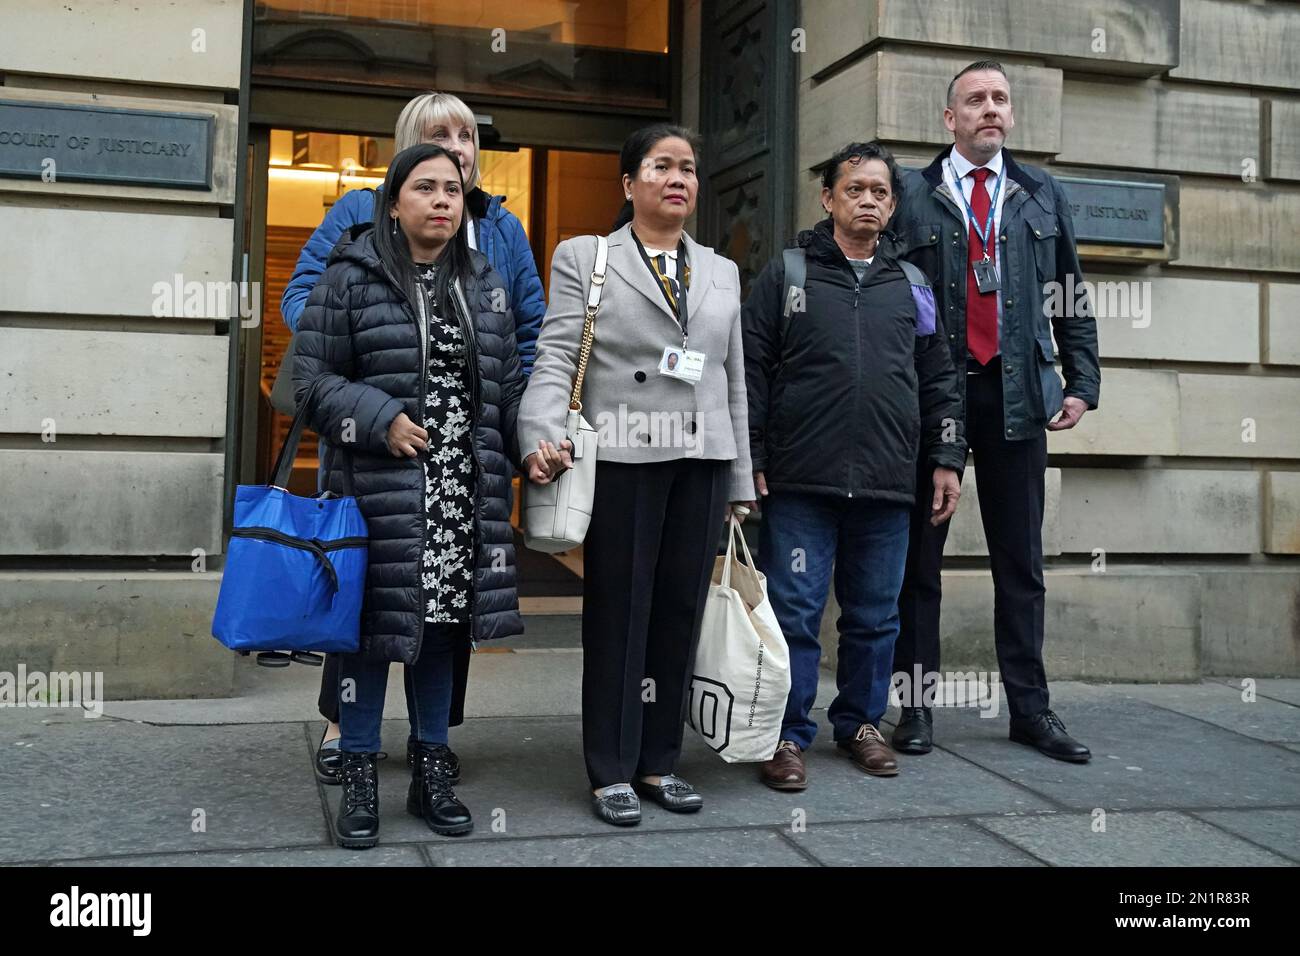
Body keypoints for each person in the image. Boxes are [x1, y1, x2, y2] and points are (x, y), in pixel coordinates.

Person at [278, 91, 546, 785]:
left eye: (466, 136)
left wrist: (530, 435)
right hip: (381, 462)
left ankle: (433, 748)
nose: (457, 145)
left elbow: (524, 337)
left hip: (464, 469)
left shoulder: (500, 234)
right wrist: (379, 329)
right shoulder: (356, 223)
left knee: (445, 614)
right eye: (437, 137)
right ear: (397, 186)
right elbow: (307, 324)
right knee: (368, 609)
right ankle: (351, 739)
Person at [519, 124, 755, 826]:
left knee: (679, 615)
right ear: (629, 184)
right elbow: (558, 354)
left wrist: (741, 478)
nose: (678, 178)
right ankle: (611, 768)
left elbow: (732, 379)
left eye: (687, 167)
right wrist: (540, 433)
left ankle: (659, 761)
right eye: (661, 166)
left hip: (701, 462)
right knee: (620, 615)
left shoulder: (720, 269)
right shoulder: (587, 257)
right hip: (623, 460)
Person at [891, 60, 1101, 762]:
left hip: (1016, 392)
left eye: (1000, 99)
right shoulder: (909, 194)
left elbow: (1070, 286)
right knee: (919, 564)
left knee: (1022, 563)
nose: (990, 108)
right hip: (934, 396)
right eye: (975, 99)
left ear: (1010, 116)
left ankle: (1032, 713)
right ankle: (914, 708)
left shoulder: (1041, 191)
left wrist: (1082, 380)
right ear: (949, 119)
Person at [742, 142, 965, 791]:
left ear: (892, 205)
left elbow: (939, 376)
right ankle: (785, 733)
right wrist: (752, 457)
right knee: (795, 611)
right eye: (856, 189)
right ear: (829, 199)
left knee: (876, 615)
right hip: (801, 482)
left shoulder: (913, 285)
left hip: (888, 481)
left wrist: (947, 456)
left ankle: (862, 723)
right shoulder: (787, 274)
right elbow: (752, 369)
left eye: (880, 192)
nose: (868, 200)